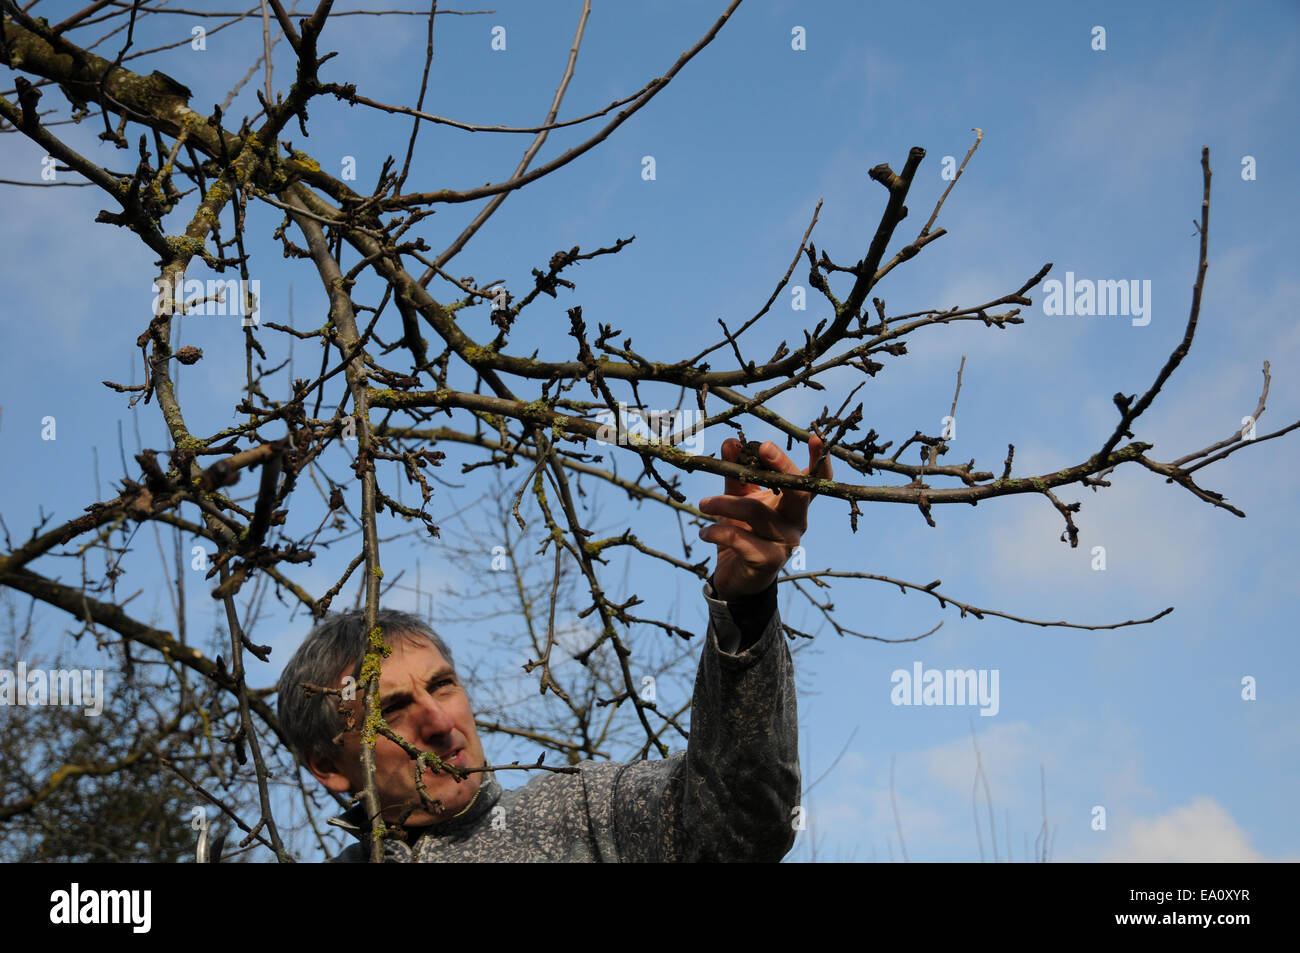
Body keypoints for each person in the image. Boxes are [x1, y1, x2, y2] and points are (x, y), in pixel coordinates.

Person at [276, 434, 833, 861]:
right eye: (392, 709)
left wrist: (745, 606)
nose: (440, 721)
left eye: (443, 685)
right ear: (328, 766)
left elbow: (736, 825)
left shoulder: (583, 814)